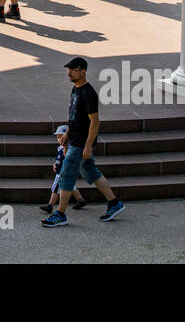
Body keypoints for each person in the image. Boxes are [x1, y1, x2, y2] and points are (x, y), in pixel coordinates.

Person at [42, 57, 125, 227]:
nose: (69, 73)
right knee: (90, 172)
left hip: (80, 143)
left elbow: (95, 121)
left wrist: (88, 146)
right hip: (74, 139)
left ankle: (60, 214)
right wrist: (67, 134)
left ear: (83, 71)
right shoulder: (75, 90)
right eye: (69, 70)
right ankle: (114, 202)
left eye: (73, 70)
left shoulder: (89, 93)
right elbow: (74, 117)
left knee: (66, 175)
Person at [42, 126, 88, 215]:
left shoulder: (68, 148)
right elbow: (59, 159)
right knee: (71, 186)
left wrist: (65, 147)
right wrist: (55, 164)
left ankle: (50, 205)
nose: (59, 139)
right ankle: (80, 199)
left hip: (62, 172)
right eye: (58, 137)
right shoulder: (59, 148)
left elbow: (67, 157)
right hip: (61, 170)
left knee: (55, 188)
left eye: (60, 137)